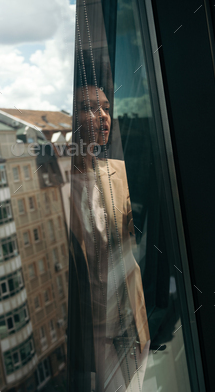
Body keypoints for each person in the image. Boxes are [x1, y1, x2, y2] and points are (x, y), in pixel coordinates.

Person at [67, 81, 150, 391]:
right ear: (70, 120)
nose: (103, 116)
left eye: (106, 108)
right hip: (94, 333)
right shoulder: (56, 186)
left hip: (131, 322)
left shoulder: (119, 172)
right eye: (90, 108)